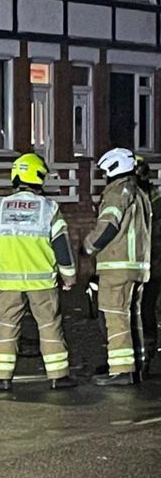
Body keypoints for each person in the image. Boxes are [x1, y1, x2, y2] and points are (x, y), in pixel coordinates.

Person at [0, 153, 77, 391]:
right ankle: (58, 376)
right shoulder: (49, 209)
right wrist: (69, 276)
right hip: (42, 282)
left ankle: (2, 378)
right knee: (49, 326)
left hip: (8, 282)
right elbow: (61, 246)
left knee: (6, 327)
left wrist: (4, 250)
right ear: (39, 177)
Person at [85, 148, 152, 386]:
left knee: (115, 318)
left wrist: (89, 246)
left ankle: (122, 371)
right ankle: (138, 365)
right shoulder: (139, 192)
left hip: (117, 267)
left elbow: (108, 225)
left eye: (105, 172)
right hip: (138, 267)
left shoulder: (117, 192)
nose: (104, 177)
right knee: (133, 318)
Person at [135, 155, 161, 370]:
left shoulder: (147, 199)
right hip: (144, 266)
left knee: (144, 311)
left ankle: (145, 356)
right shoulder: (151, 197)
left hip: (150, 266)